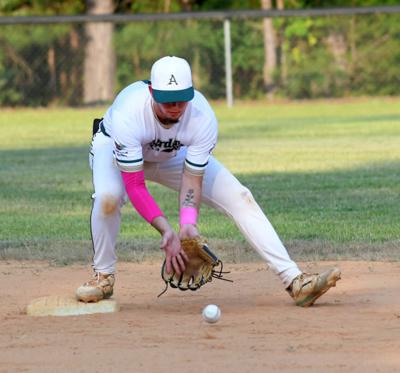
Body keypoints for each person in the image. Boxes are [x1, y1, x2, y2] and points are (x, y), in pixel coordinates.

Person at [76, 56, 340, 307]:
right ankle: (104, 276)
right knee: (107, 198)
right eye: (168, 100)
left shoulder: (201, 116)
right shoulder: (129, 112)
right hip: (114, 148)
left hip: (170, 153)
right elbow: (135, 185)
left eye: (182, 99)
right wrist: (167, 230)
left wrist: (188, 223)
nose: (176, 107)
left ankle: (294, 280)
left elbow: (192, 177)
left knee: (240, 197)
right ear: (153, 93)